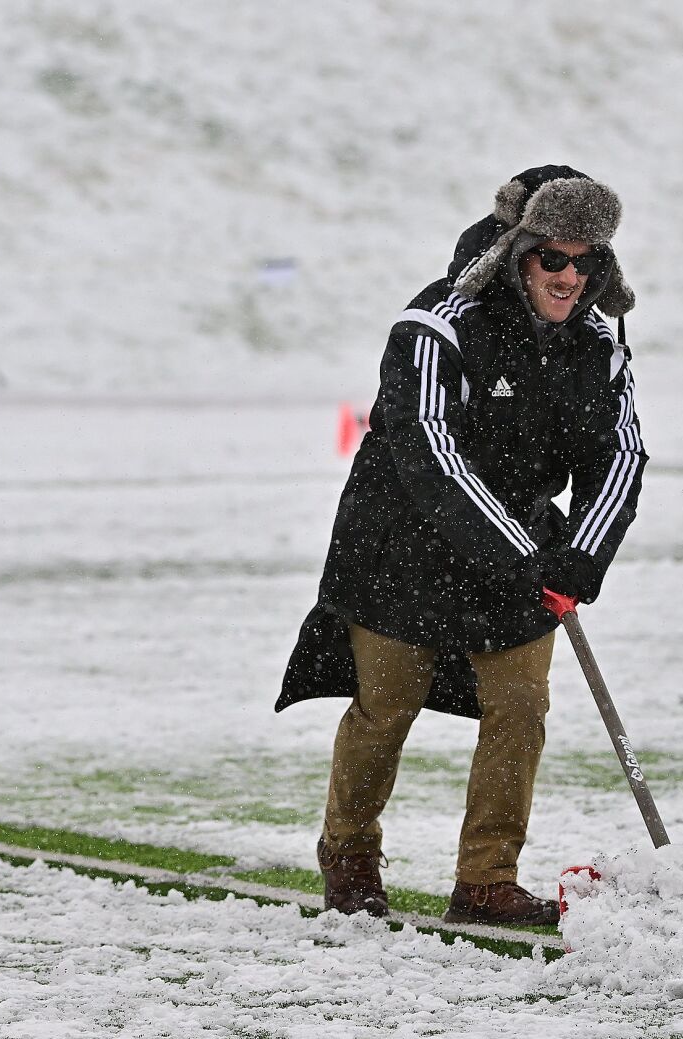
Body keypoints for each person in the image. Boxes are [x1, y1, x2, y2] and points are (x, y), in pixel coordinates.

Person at [276, 166, 648, 928]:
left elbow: (620, 456)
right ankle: (349, 856)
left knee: (520, 706)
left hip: (516, 552)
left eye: (588, 261)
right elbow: (429, 451)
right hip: (400, 543)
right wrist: (526, 554)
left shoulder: (598, 346)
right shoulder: (438, 324)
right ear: (518, 253)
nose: (571, 276)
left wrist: (582, 553)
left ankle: (486, 879)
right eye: (555, 257)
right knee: (386, 706)